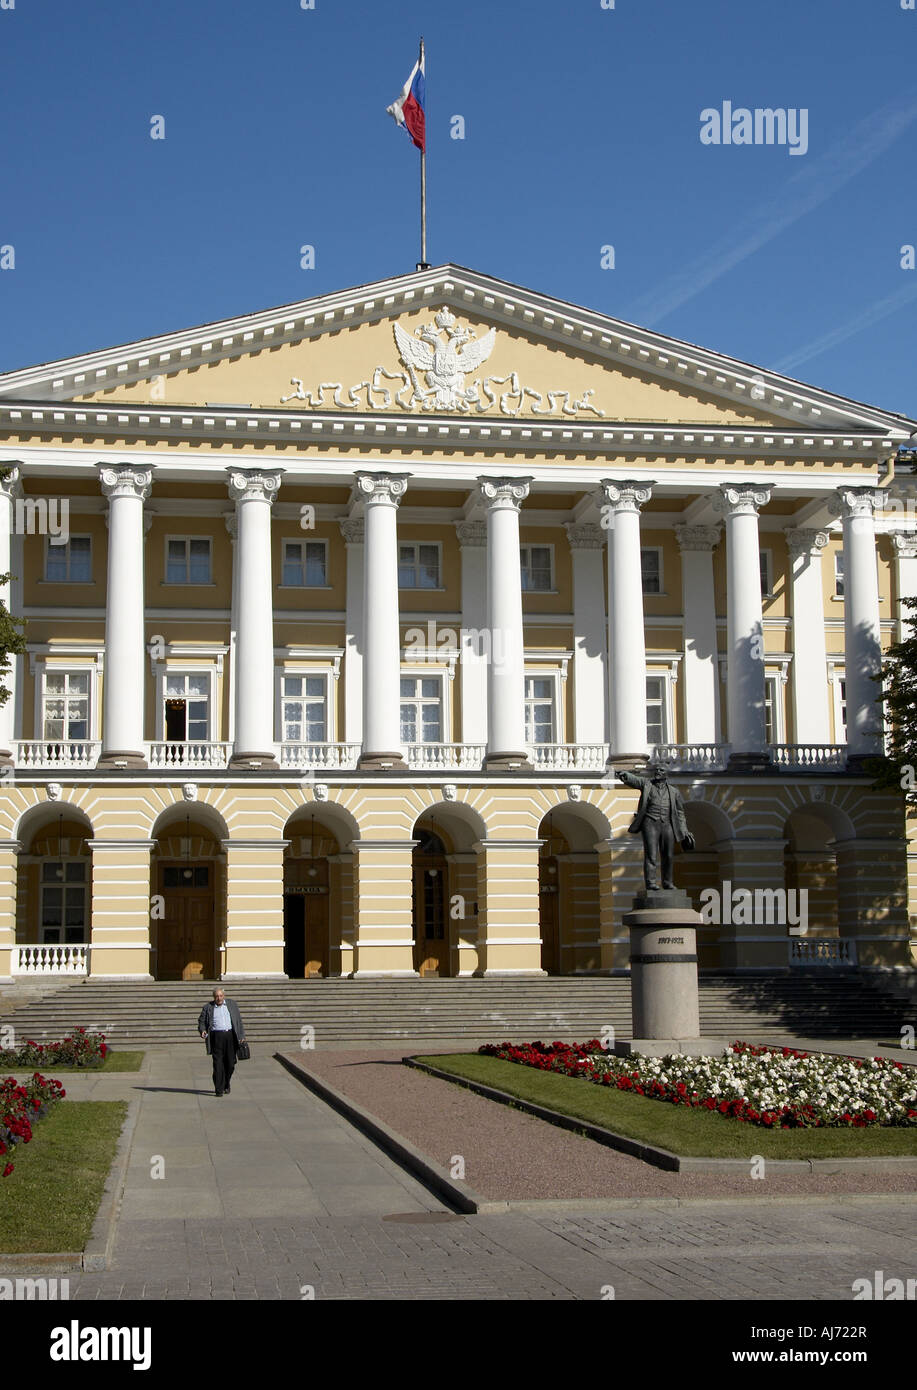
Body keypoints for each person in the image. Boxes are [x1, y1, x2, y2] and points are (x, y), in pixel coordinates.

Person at [618, 764, 696, 891]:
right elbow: (635, 780)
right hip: (650, 822)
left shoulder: (673, 791)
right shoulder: (647, 784)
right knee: (651, 855)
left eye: (661, 770)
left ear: (666, 774)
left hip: (667, 824)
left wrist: (684, 830)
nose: (657, 772)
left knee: (668, 855)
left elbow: (680, 812)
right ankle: (651, 883)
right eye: (656, 770)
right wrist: (625, 775)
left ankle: (668, 883)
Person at [197, 987, 246, 1097]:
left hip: (230, 1036)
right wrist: (203, 1030)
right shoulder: (208, 1007)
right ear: (213, 997)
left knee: (230, 1063)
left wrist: (241, 1035)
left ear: (224, 996)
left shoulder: (232, 1004)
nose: (219, 998)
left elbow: (238, 1021)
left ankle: (226, 1083)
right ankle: (218, 1089)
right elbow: (201, 1021)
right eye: (216, 996)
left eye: (220, 996)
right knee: (218, 1064)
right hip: (216, 1037)